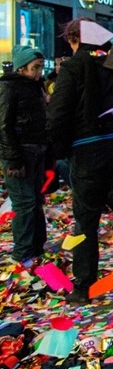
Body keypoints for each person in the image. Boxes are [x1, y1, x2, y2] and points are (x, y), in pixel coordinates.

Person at [46, 19, 113, 304]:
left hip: (87, 149)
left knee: (86, 220)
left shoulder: (72, 66)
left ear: (74, 40)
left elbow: (59, 113)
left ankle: (84, 285)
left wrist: (58, 153)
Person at [0, 46, 49, 264]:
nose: (39, 72)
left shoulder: (35, 87)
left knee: (35, 201)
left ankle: (36, 248)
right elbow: (4, 125)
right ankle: (22, 253)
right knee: (25, 203)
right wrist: (14, 158)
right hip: (21, 153)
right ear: (22, 68)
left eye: (40, 67)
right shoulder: (9, 87)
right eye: (35, 68)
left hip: (36, 151)